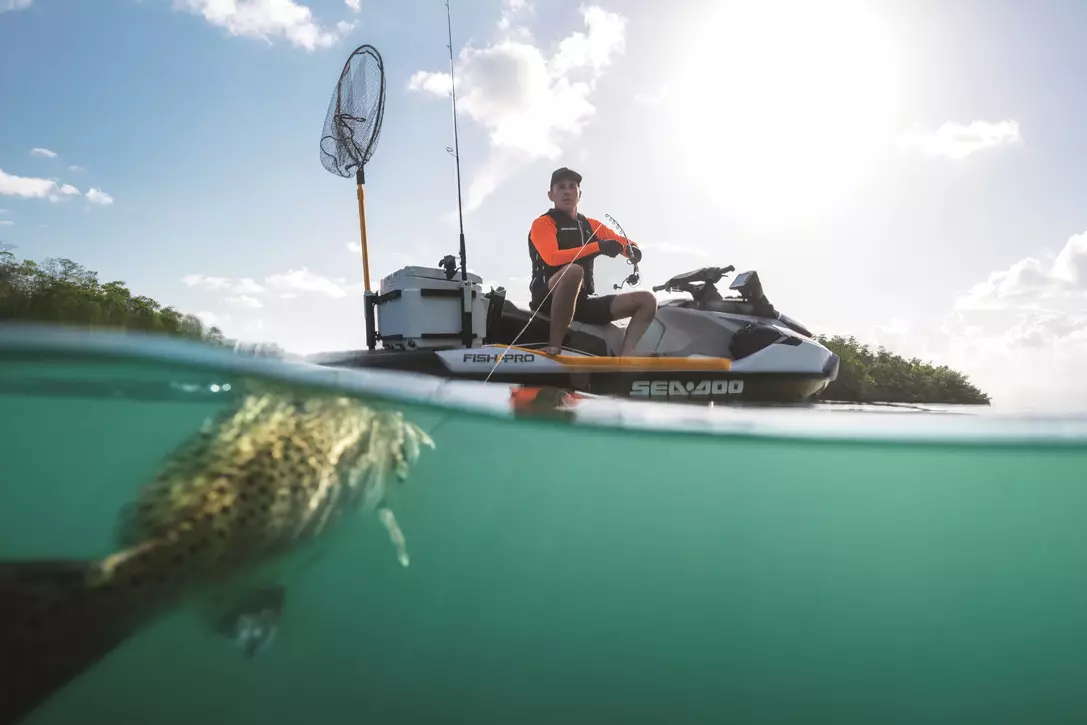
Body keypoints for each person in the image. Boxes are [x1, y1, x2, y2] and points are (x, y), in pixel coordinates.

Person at [526, 167, 658, 357]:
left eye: (572, 187)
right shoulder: (543, 223)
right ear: (550, 195)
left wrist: (632, 250)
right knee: (573, 271)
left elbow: (623, 243)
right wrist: (598, 247)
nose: (567, 191)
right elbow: (552, 258)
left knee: (647, 300)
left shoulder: (591, 225)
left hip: (582, 301)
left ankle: (627, 352)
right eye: (561, 187)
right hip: (547, 297)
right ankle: (554, 347)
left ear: (580, 194)